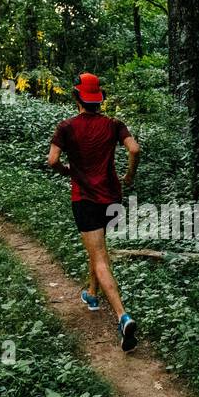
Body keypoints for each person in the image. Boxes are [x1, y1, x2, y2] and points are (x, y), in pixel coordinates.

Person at [46, 73, 141, 352]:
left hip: (86, 199)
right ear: (100, 100)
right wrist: (129, 176)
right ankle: (92, 294)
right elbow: (134, 148)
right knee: (98, 247)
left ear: (77, 98)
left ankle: (123, 316)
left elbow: (52, 160)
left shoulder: (66, 127)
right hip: (112, 199)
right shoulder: (114, 124)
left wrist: (67, 171)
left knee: (99, 255)